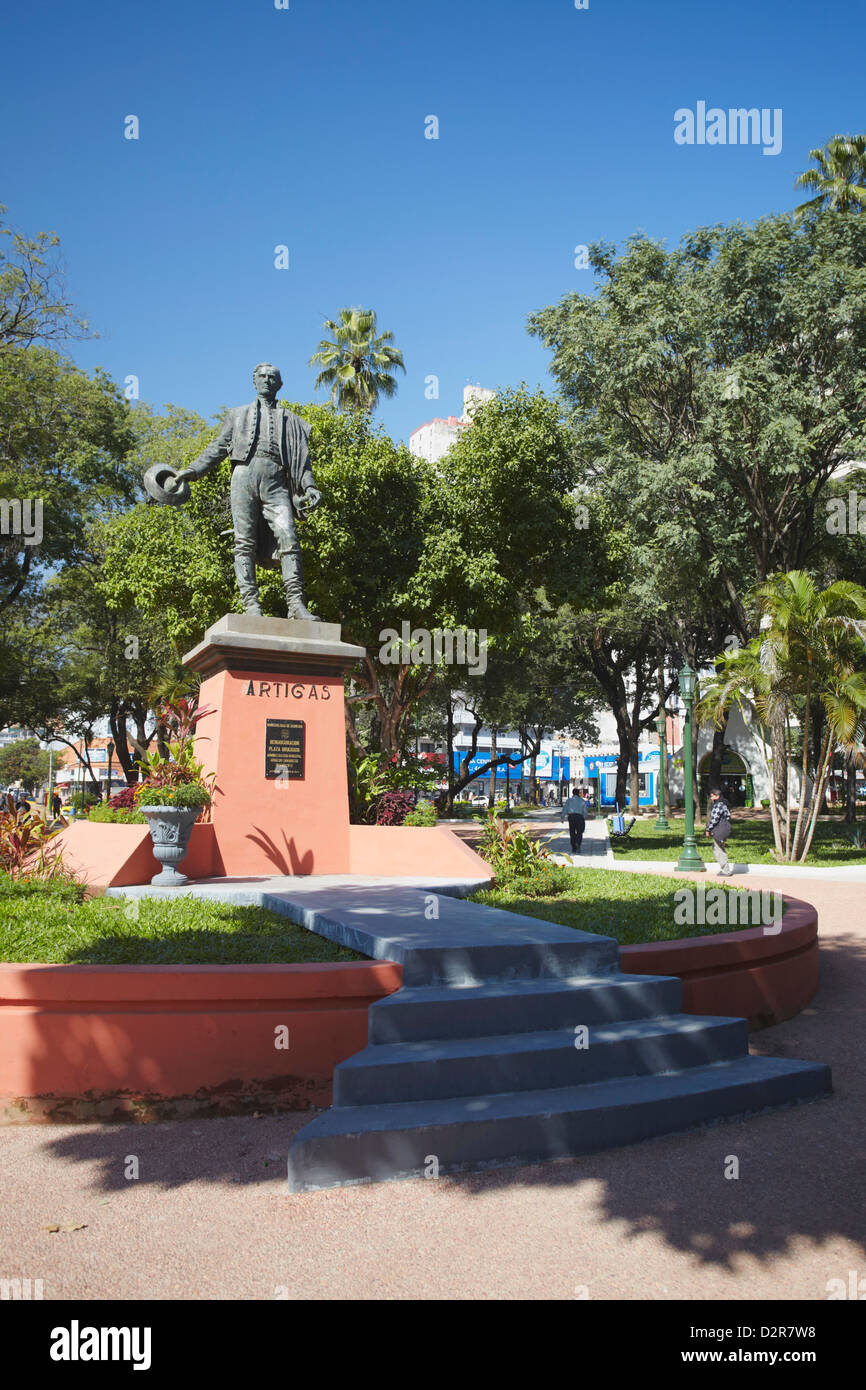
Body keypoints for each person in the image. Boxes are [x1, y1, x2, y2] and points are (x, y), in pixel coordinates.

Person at [171, 363, 322, 620]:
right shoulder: (237, 414)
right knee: (244, 542)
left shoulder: (293, 422)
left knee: (289, 538)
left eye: (272, 377)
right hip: (243, 475)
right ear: (254, 381)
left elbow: (302, 462)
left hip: (276, 480)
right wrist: (193, 470)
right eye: (261, 376)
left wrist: (309, 486)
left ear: (280, 384)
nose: (266, 380)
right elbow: (218, 447)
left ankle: (296, 605)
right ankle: (251, 605)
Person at [706, 786, 734, 875]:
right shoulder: (724, 803)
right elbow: (728, 816)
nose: (711, 798)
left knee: (718, 849)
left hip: (720, 829)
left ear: (717, 796)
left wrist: (708, 829)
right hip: (726, 828)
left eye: (712, 796)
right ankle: (726, 869)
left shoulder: (718, 805)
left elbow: (714, 819)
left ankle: (726, 870)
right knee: (720, 847)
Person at [562, 787, 589, 853]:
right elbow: (585, 811)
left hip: (571, 817)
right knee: (580, 832)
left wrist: (562, 817)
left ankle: (573, 847)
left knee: (572, 832)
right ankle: (578, 843)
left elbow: (565, 809)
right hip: (579, 817)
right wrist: (584, 817)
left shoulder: (569, 800)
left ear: (572, 793)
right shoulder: (582, 801)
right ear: (578, 793)